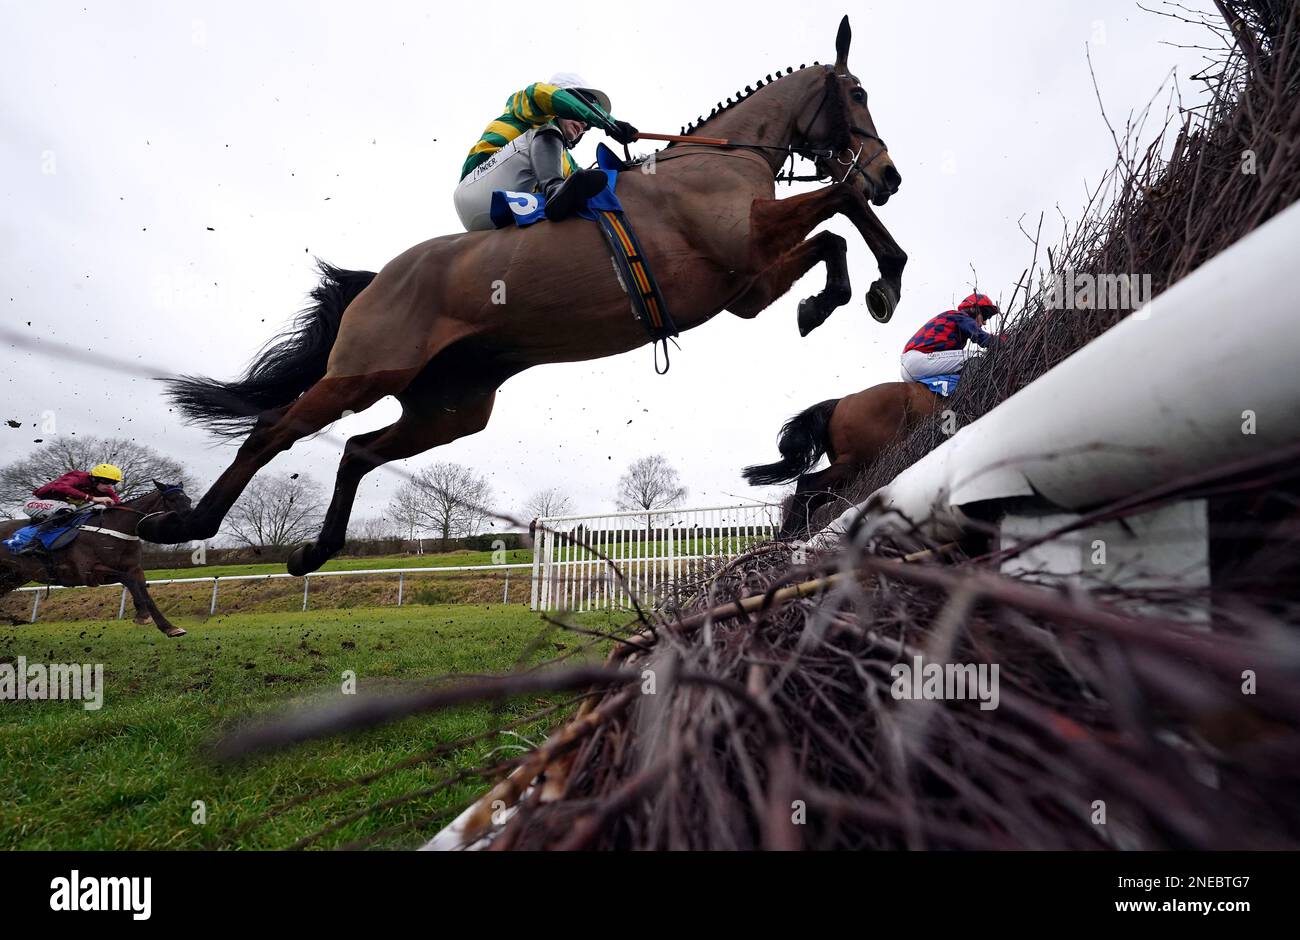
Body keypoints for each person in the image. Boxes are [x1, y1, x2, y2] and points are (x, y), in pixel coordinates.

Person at [453, 73, 638, 231]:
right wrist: (607, 122)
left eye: (587, 124)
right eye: (582, 110)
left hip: (511, 212)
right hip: (477, 194)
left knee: (578, 188)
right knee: (542, 132)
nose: (584, 123)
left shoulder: (562, 159)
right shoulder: (530, 108)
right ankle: (553, 190)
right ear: (564, 99)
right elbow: (543, 95)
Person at [4, 463, 123, 555]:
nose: (109, 485)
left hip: (67, 506)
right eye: (107, 481)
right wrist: (91, 497)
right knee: (67, 508)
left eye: (113, 483)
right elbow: (61, 486)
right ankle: (33, 543)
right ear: (94, 478)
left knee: (99, 508)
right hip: (36, 504)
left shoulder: (106, 488)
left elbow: (118, 503)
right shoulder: (78, 477)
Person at [900, 292, 1001, 383]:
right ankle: (965, 401)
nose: (985, 322)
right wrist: (1004, 340)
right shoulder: (960, 316)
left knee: (957, 374)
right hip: (918, 360)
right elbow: (981, 337)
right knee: (975, 355)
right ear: (973, 309)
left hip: (910, 366)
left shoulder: (956, 321)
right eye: (986, 315)